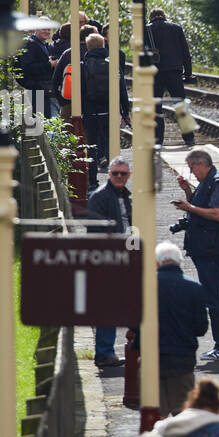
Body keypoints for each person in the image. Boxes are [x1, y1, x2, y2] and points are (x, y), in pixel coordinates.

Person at [174, 148, 219, 362]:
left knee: (214, 299)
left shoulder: (217, 182)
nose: (192, 173)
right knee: (212, 297)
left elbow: (218, 214)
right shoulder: (208, 181)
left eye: (192, 168)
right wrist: (188, 193)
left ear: (201, 164)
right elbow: (202, 206)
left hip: (213, 249)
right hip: (207, 248)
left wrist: (189, 207)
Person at [88, 156, 133, 368]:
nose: (119, 177)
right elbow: (95, 233)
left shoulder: (126, 197)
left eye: (123, 174)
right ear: (109, 174)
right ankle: (104, 353)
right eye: (115, 173)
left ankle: (134, 347)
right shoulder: (100, 197)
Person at [155, 241, 210, 416]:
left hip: (152, 359)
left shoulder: (145, 285)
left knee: (156, 414)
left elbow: (134, 324)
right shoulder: (194, 288)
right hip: (182, 359)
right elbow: (201, 328)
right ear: (180, 262)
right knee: (184, 415)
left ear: (157, 263)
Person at [81, 32, 131, 185]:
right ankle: (114, 180)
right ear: (103, 45)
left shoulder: (83, 66)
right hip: (109, 110)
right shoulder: (113, 64)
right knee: (111, 145)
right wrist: (125, 111)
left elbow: (81, 90)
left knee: (92, 146)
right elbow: (122, 89)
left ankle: (93, 180)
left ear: (87, 47)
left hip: (90, 112)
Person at [147, 8, 193, 145]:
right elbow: (185, 51)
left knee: (156, 108)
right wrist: (188, 72)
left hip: (154, 74)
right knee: (181, 105)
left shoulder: (146, 30)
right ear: (164, 16)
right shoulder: (176, 28)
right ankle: (189, 138)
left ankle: (159, 140)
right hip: (174, 72)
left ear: (151, 18)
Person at [15, 24, 56, 121]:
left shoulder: (43, 45)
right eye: (44, 29)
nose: (47, 32)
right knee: (39, 121)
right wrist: (49, 65)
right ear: (36, 29)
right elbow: (28, 67)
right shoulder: (29, 44)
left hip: (43, 90)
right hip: (34, 89)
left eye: (49, 29)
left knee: (45, 120)